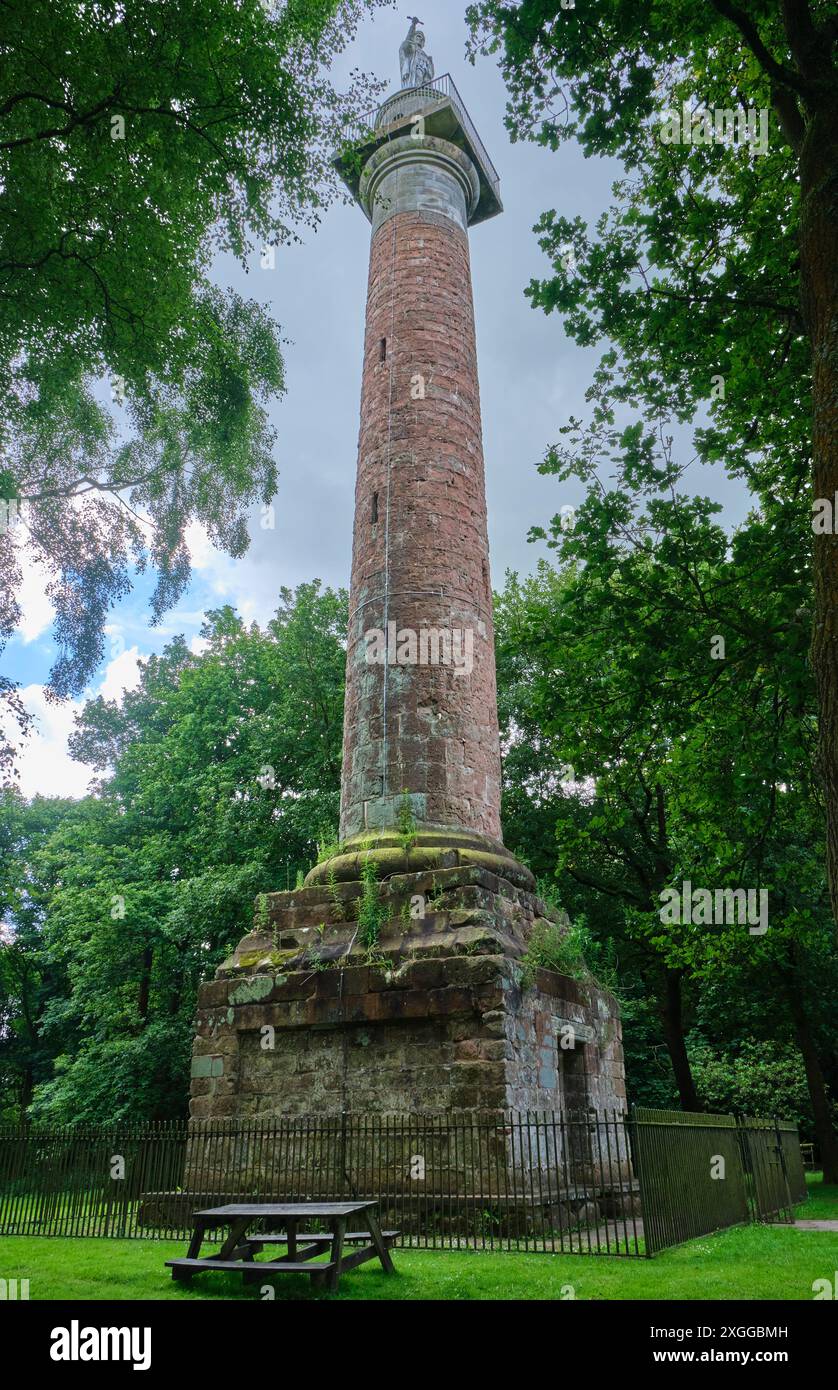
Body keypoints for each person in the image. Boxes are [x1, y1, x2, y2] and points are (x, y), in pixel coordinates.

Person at [399, 18, 435, 88]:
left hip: (426, 73)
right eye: (418, 36)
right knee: (417, 82)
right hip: (416, 70)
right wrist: (413, 26)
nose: (420, 39)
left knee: (426, 88)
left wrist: (430, 63)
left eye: (422, 38)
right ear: (413, 37)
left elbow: (431, 73)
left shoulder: (425, 55)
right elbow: (407, 41)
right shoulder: (411, 48)